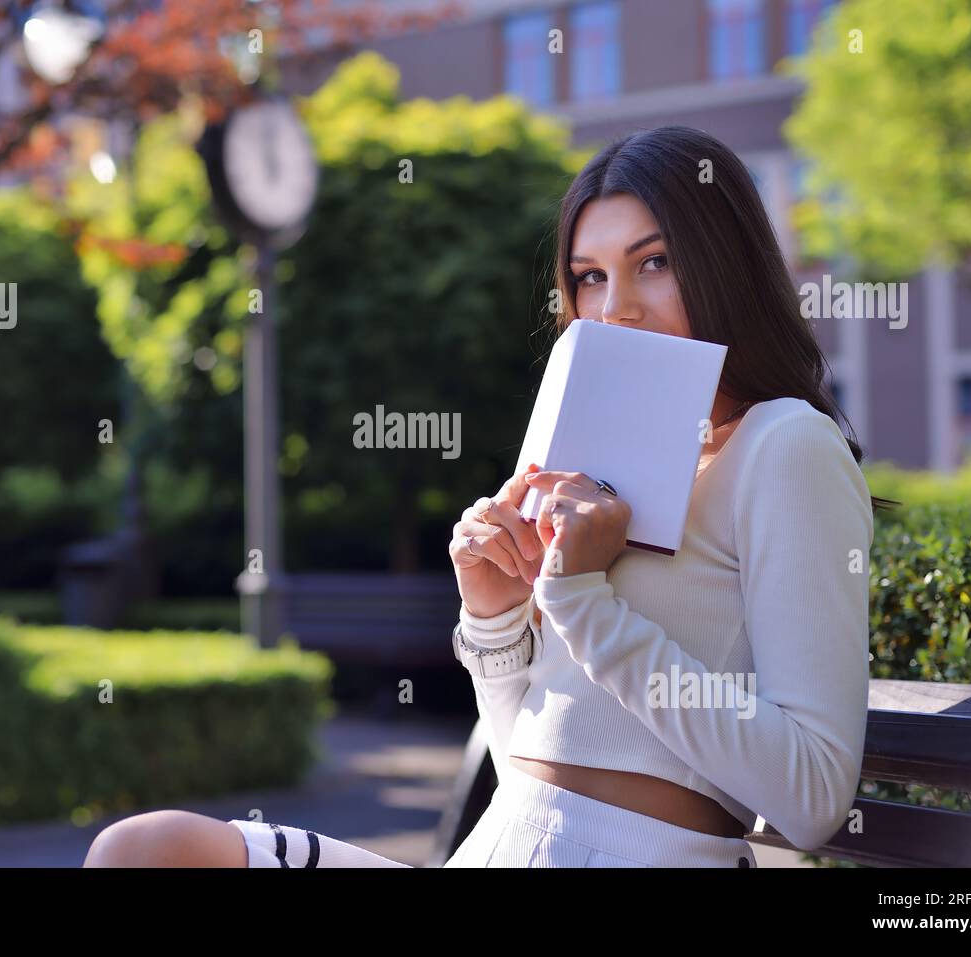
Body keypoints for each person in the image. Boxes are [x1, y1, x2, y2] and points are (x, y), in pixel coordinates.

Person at [82, 125, 897, 869]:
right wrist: (496, 614)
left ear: (725, 261)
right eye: (589, 277)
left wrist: (585, 604)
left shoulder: (785, 442)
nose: (617, 308)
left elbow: (813, 797)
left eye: (655, 261)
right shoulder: (595, 451)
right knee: (148, 850)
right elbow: (523, 761)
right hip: (498, 843)